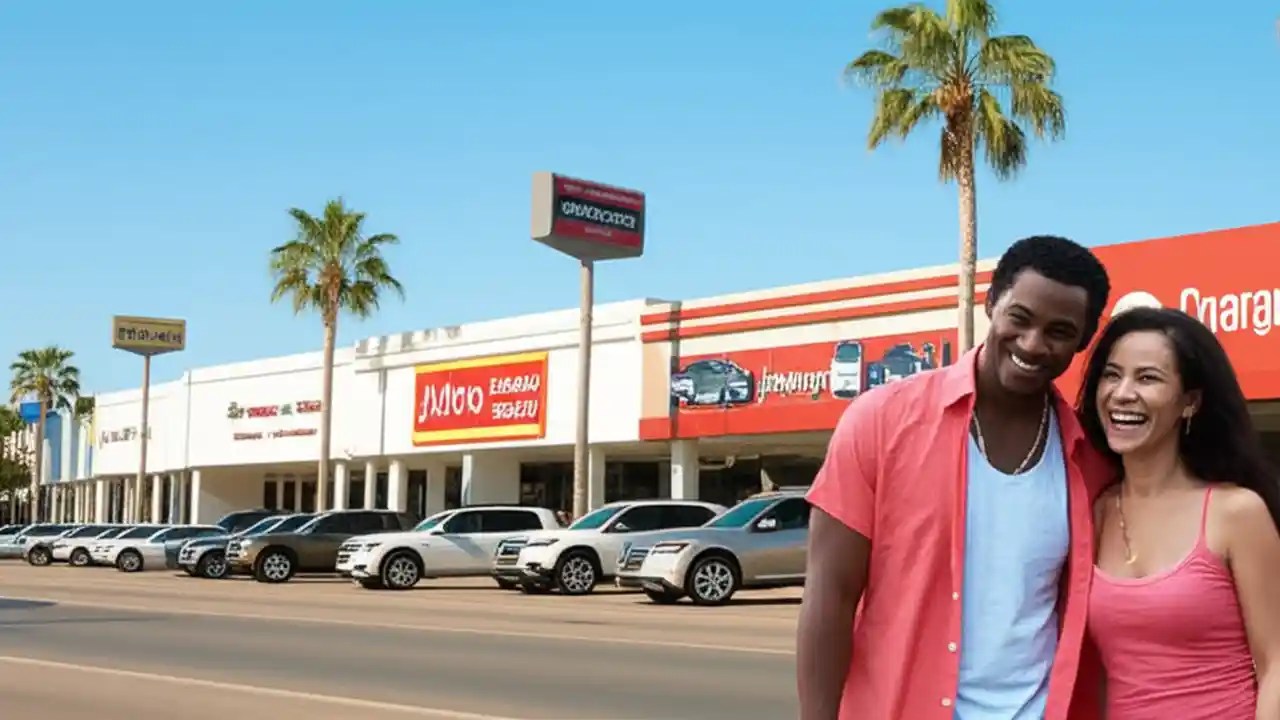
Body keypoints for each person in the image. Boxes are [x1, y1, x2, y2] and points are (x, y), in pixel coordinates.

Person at [797, 235, 1115, 720]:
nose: (1033, 344)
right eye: (1020, 318)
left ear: (1082, 342)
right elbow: (830, 595)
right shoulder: (881, 421)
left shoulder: (1090, 461)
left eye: (1059, 331)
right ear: (991, 303)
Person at [1078, 306, 1280, 719]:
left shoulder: (1235, 512)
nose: (1122, 392)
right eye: (1112, 374)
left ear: (1189, 402)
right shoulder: (1095, 512)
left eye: (1148, 377)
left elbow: (1277, 662)